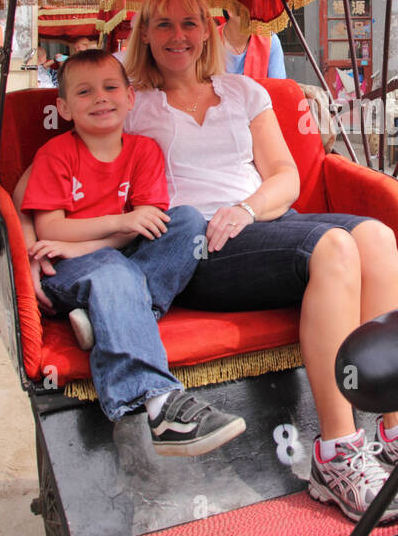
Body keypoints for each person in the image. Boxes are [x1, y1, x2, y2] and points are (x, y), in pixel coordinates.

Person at [120, 0, 398, 523]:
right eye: (162, 24)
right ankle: (335, 454)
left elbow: (285, 176)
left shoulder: (245, 93)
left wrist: (247, 207)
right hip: (198, 246)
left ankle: (397, 428)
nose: (177, 36)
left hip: (260, 221)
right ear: (145, 34)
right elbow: (86, 164)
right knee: (333, 247)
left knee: (376, 237)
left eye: (189, 22)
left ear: (208, 31)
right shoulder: (131, 104)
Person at [18, 48, 245, 457]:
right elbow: (50, 229)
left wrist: (103, 237)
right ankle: (162, 405)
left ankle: (109, 315)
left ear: (129, 97)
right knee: (112, 270)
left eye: (110, 88)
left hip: (114, 255)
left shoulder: (143, 151)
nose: (100, 99)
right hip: (69, 268)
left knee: (187, 222)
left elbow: (148, 223)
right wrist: (113, 226)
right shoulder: (56, 155)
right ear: (65, 108)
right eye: (84, 93)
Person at [219, 9, 287, 80]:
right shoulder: (209, 42)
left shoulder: (270, 40)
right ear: (231, 10)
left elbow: (277, 86)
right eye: (252, 8)